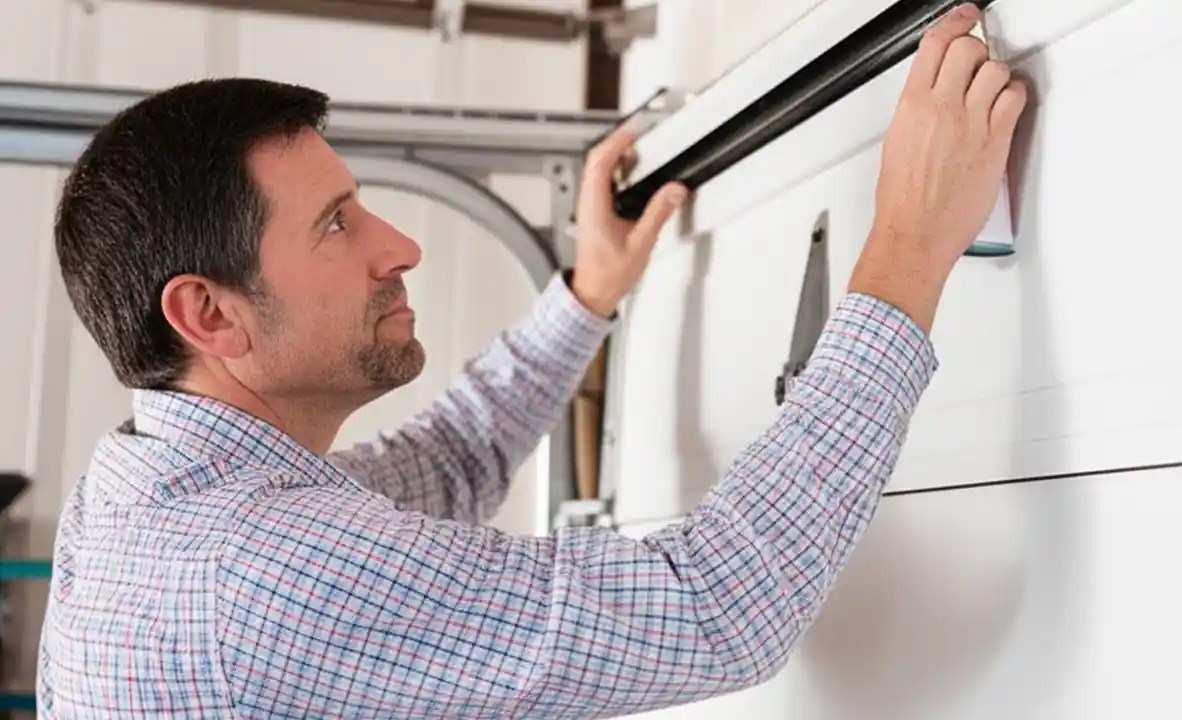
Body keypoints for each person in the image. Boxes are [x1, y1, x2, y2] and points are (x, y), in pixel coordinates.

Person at [37, 4, 1025, 718]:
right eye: (337, 224)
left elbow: (450, 462)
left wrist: (589, 289)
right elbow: (713, 610)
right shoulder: (255, 575)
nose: (399, 246)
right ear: (207, 313)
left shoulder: (153, 491)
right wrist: (905, 245)